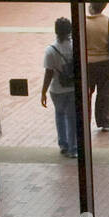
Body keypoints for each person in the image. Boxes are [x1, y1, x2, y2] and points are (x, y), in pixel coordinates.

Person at [41, 17, 80, 158]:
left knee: (59, 114)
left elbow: (48, 73)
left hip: (57, 89)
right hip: (72, 88)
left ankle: (63, 144)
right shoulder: (75, 46)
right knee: (72, 117)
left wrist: (43, 92)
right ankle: (73, 147)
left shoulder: (50, 50)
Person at [84, 3, 109, 132]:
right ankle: (105, 121)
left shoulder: (83, 23)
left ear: (91, 7)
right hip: (107, 63)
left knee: (86, 94)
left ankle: (84, 120)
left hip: (87, 64)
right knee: (105, 93)